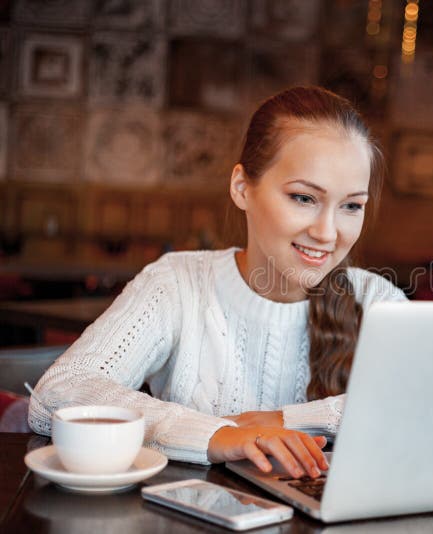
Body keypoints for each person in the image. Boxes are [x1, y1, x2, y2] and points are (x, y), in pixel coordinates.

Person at [28, 86, 407, 480]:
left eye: (351, 206)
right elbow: (56, 395)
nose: (327, 232)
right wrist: (218, 435)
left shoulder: (377, 300)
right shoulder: (178, 283)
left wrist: (283, 420)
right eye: (303, 198)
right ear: (242, 188)